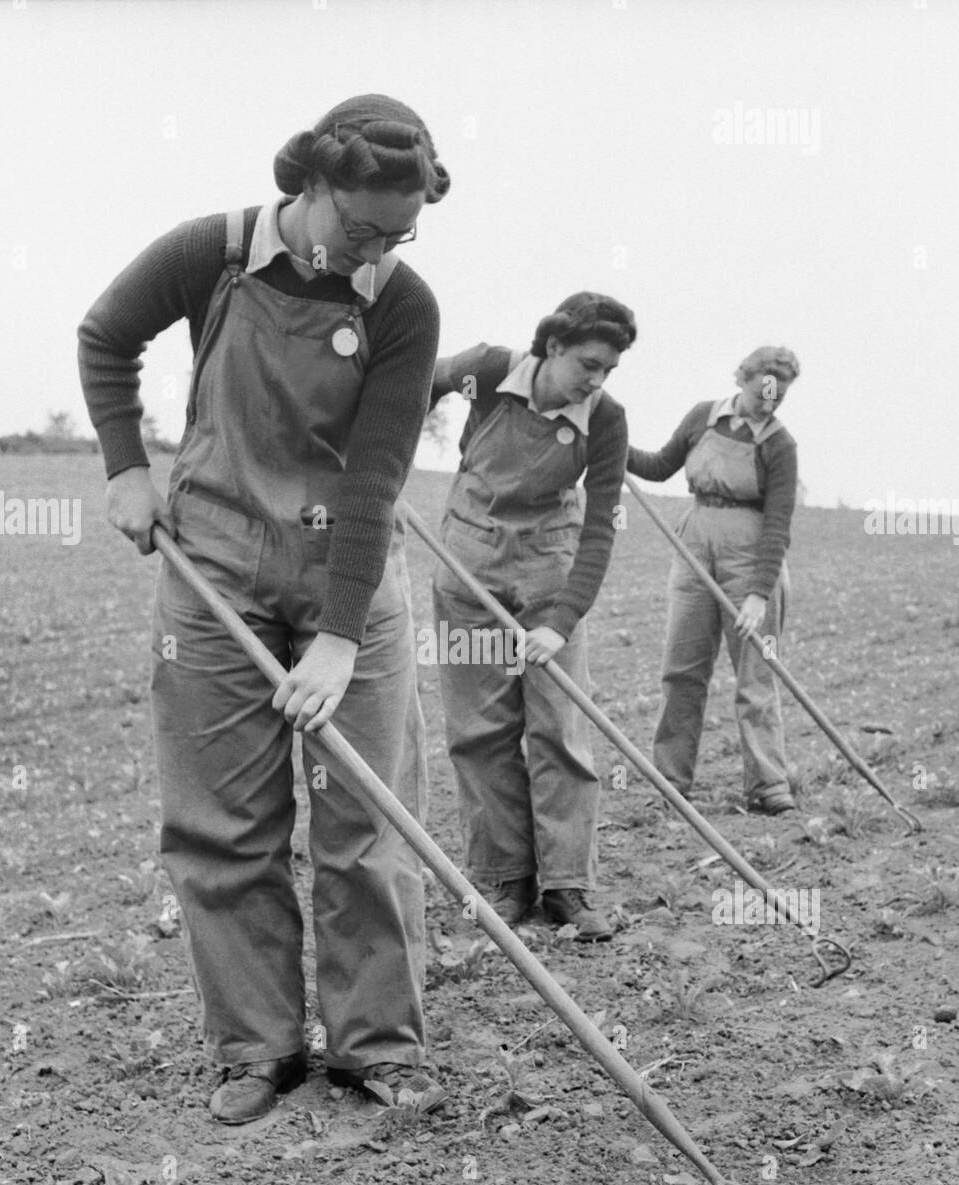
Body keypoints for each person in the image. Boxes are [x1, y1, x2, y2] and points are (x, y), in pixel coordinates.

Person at [78, 95, 450, 1124]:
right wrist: (124, 469)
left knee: (365, 816)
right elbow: (106, 337)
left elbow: (375, 477)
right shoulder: (215, 251)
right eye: (361, 226)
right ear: (312, 186)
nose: (374, 249)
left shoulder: (404, 306)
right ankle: (256, 1045)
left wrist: (337, 639)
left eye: (397, 234)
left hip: (352, 574)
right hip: (218, 564)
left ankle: (378, 1043)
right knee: (222, 822)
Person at [429, 294, 636, 942]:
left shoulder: (606, 420)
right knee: (479, 730)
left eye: (610, 368)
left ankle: (566, 885)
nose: (598, 378)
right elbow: (410, 382)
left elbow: (600, 527)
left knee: (559, 729)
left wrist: (561, 621)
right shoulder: (486, 370)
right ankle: (502, 878)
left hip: (549, 569)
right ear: (552, 348)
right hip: (467, 567)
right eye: (590, 363)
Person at [626, 346, 801, 814]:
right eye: (761, 393)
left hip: (751, 553)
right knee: (681, 669)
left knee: (755, 675)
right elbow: (660, 465)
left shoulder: (780, 445)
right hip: (694, 543)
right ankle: (671, 779)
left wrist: (759, 595)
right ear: (740, 379)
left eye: (777, 399)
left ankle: (767, 785)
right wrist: (613, 444)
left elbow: (779, 522)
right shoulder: (703, 418)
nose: (767, 405)